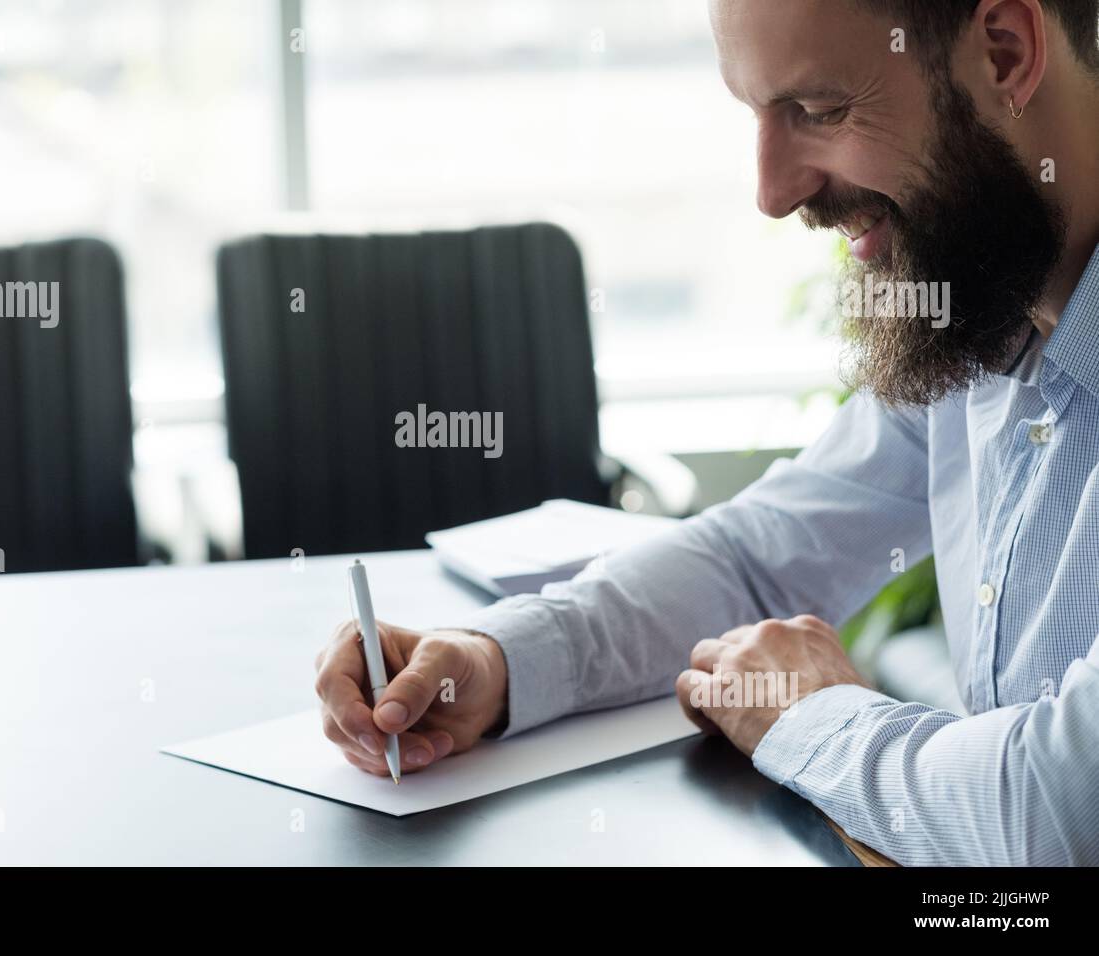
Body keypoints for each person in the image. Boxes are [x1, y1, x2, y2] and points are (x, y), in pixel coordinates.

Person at [314, 0, 1099, 866]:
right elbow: (759, 556)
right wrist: (494, 661)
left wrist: (808, 713)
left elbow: (1054, 815)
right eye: (757, 113)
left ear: (1003, 50)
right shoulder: (988, 305)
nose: (771, 194)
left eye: (822, 111)